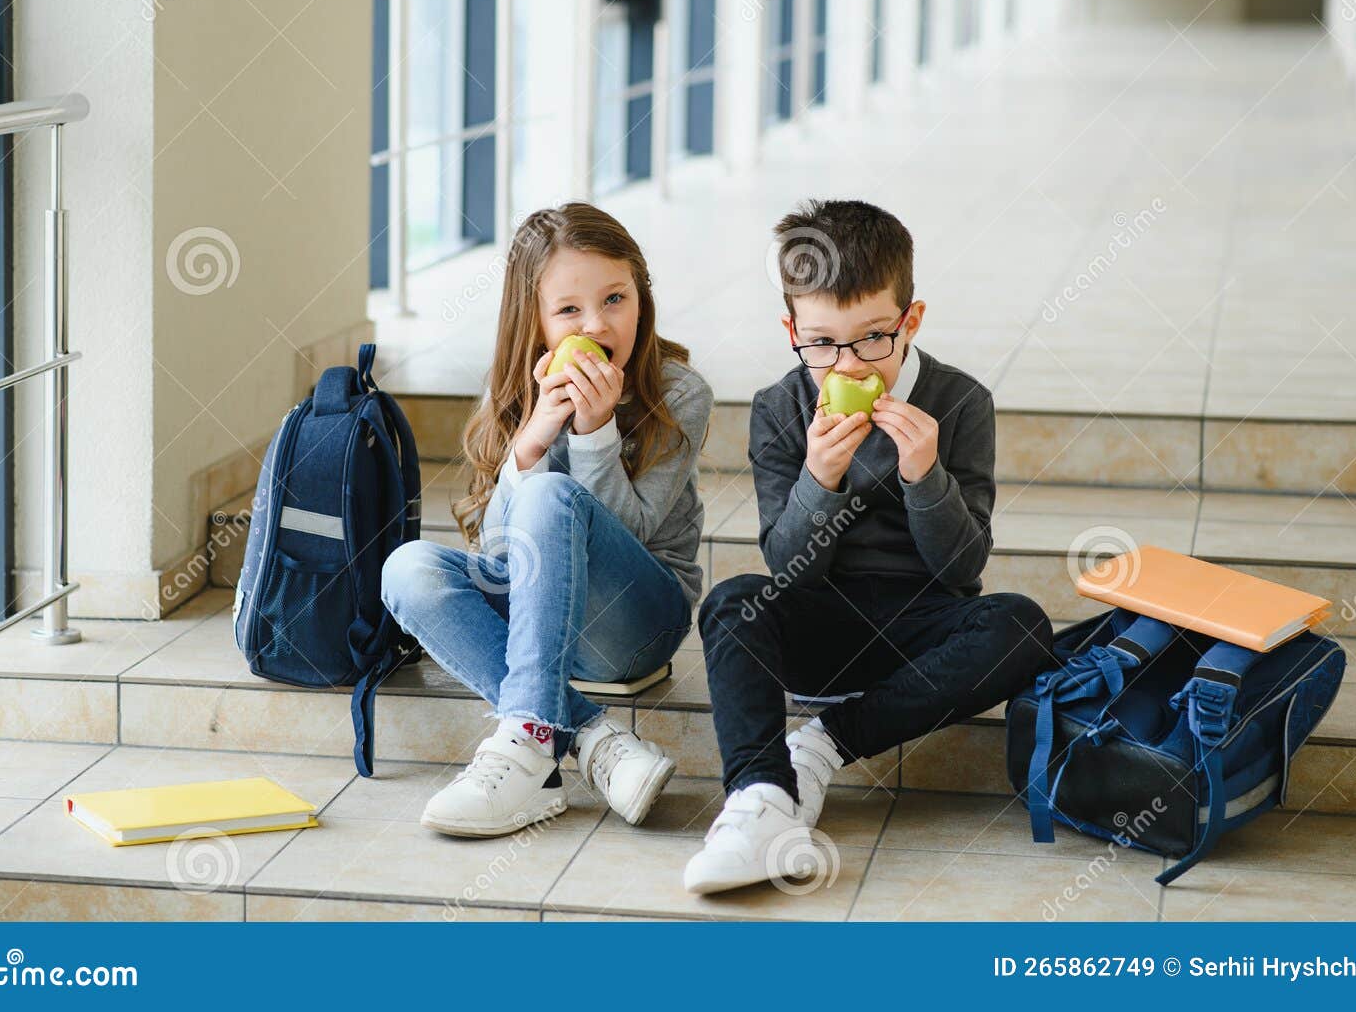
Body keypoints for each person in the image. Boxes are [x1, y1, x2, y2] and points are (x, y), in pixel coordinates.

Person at [684, 198, 1053, 894]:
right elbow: (789, 565)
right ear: (792, 330)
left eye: (872, 339)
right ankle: (758, 797)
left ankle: (820, 747)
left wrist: (925, 476)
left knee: (1020, 623)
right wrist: (818, 479)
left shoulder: (961, 401)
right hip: (820, 620)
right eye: (821, 343)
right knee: (733, 600)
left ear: (910, 321)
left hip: (924, 627)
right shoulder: (780, 407)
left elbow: (962, 566)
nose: (846, 364)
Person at [382, 202, 713, 838]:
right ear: (532, 322)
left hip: (637, 625)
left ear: (640, 296)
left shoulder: (679, 393)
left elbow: (631, 535)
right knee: (407, 567)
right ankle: (588, 737)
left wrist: (593, 432)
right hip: (544, 618)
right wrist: (529, 444)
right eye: (569, 311)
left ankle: (528, 743)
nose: (598, 323)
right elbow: (497, 555)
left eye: (615, 298)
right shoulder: (513, 390)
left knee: (550, 498)